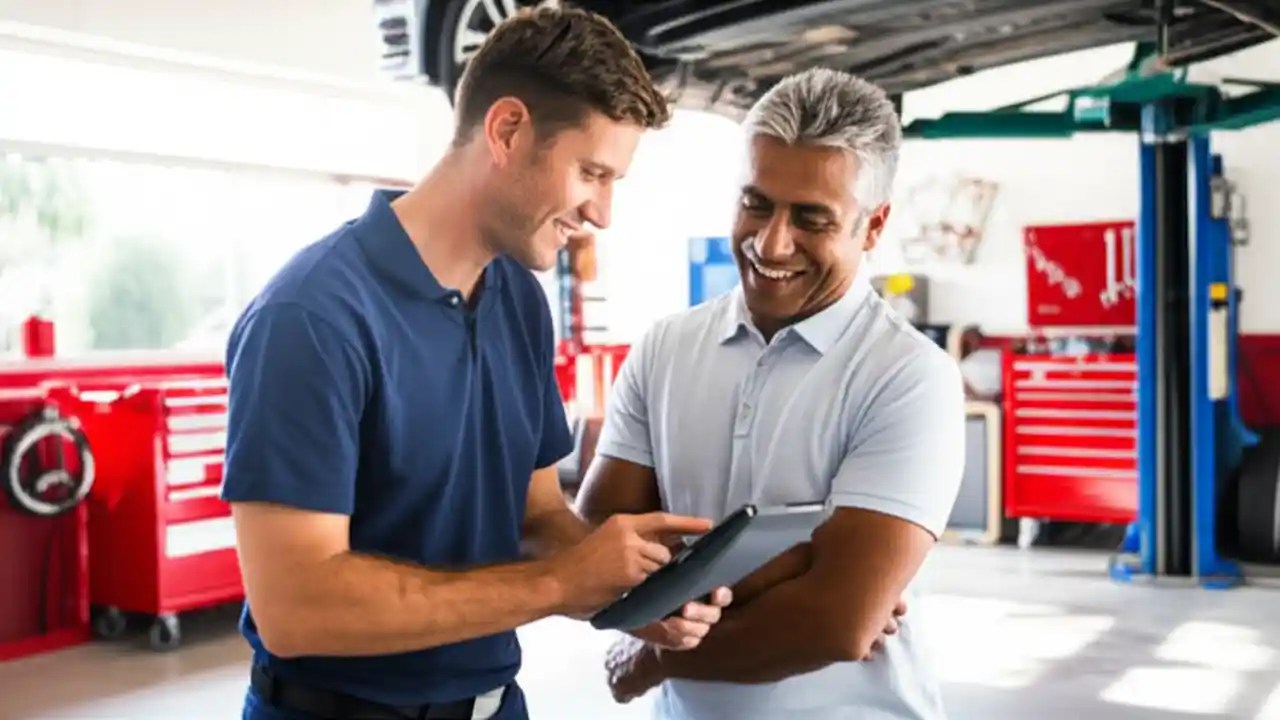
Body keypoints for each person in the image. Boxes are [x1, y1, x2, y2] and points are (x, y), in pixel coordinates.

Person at [220, 7, 730, 720]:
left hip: (493, 705)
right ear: (508, 130)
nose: (603, 212)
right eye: (591, 172)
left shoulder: (519, 298)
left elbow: (538, 515)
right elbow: (296, 609)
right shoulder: (310, 318)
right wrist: (560, 585)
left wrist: (634, 590)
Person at [576, 67, 966, 720]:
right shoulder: (666, 349)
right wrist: (793, 566)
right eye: (756, 203)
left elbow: (834, 623)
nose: (770, 241)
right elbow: (597, 547)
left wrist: (654, 655)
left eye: (811, 218)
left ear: (872, 228)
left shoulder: (907, 377)